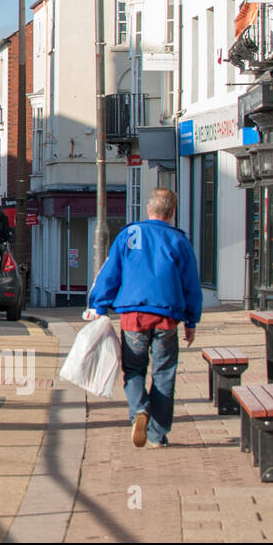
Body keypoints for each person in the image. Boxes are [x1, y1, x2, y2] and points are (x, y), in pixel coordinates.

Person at [86, 187, 201, 448]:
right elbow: (191, 285)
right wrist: (191, 321)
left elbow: (110, 273)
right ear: (171, 213)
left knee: (135, 369)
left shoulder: (129, 234)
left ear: (148, 210)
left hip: (133, 315)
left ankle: (139, 409)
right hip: (167, 316)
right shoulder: (179, 241)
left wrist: (99, 306)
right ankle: (157, 434)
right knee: (164, 373)